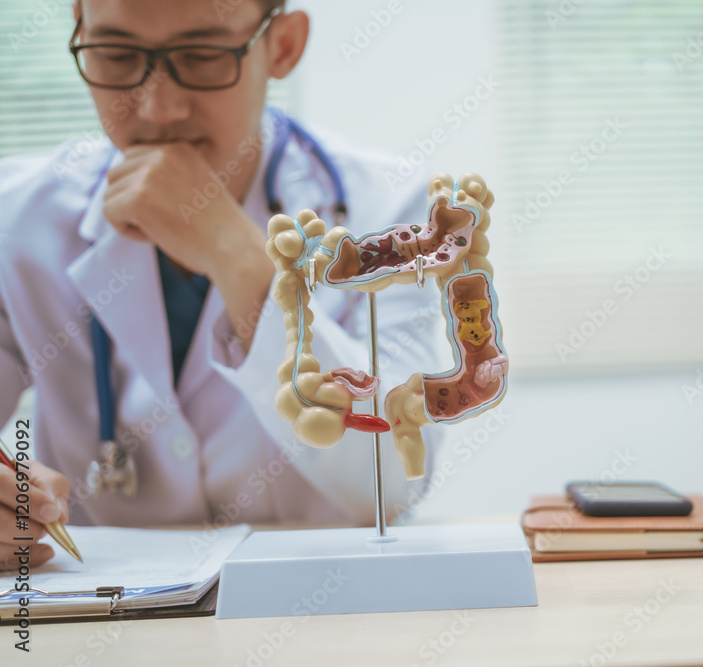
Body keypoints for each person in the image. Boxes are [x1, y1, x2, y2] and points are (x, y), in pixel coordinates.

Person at [0, 0, 445, 570]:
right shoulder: (20, 220)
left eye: (202, 55)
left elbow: (394, 479)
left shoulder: (388, 209)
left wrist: (237, 256)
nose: (158, 107)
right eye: (115, 54)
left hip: (323, 617)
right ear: (79, 34)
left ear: (281, 46)